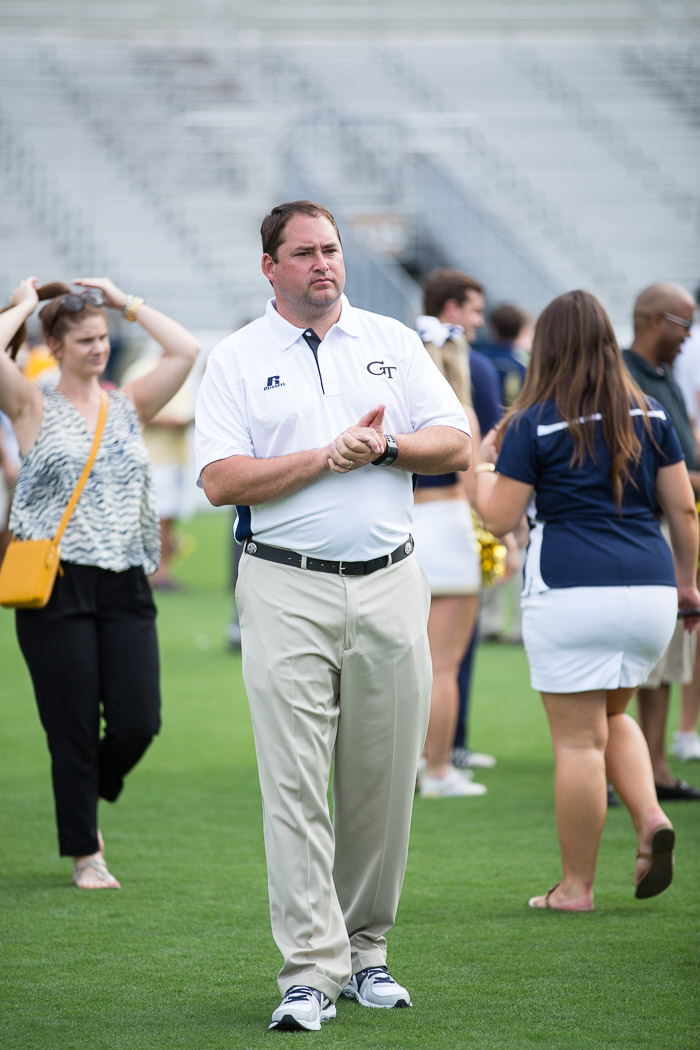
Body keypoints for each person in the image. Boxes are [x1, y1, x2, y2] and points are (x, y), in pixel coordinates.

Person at [194, 201, 471, 1032]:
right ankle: (309, 972)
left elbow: (456, 441)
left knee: (382, 785)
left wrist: (384, 448)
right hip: (284, 585)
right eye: (305, 253)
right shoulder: (237, 357)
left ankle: (368, 954)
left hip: (392, 581)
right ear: (270, 266)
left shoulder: (392, 341)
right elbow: (217, 479)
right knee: (294, 784)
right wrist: (324, 457)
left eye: (333, 250)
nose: (324, 264)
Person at [476, 289, 700, 911]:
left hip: (570, 591)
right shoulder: (651, 413)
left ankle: (575, 888)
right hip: (651, 592)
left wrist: (478, 464)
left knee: (577, 742)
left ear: (545, 347)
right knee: (609, 716)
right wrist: (687, 585)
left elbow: (497, 520)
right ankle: (650, 815)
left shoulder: (532, 420)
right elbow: (682, 508)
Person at [0, 276, 199, 889]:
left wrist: (125, 301)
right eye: (84, 339)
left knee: (140, 721)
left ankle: (91, 784)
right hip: (55, 584)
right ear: (54, 346)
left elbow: (186, 351)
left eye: (103, 338)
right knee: (74, 727)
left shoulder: (128, 403)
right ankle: (88, 854)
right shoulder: (32, 403)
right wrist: (24, 307)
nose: (98, 348)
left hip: (126, 584)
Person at [622, 282, 700, 799]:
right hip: (646, 526)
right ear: (656, 321)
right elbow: (641, 465)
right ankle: (628, 769)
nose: (687, 338)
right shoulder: (625, 379)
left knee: (666, 661)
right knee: (638, 661)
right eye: (683, 325)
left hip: (668, 524)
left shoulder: (660, 375)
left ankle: (654, 768)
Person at [414, 270, 487, 797]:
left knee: (400, 664)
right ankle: (437, 770)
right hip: (450, 528)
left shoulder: (401, 404)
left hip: (401, 531)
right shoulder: (461, 412)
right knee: (444, 668)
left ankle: (408, 766)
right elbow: (476, 489)